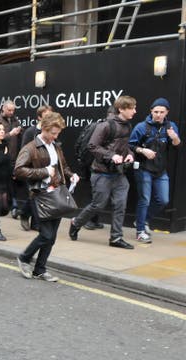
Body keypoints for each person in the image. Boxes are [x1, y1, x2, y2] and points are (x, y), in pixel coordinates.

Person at [14, 112, 78, 282]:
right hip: (40, 196)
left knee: (52, 238)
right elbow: (18, 170)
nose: (56, 136)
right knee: (46, 235)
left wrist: (71, 175)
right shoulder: (30, 148)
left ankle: (40, 270)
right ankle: (24, 258)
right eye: (53, 133)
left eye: (58, 133)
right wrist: (44, 172)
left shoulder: (56, 146)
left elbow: (63, 166)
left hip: (56, 193)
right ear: (44, 128)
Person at [68, 95, 138, 249]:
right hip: (101, 173)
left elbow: (125, 146)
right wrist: (111, 155)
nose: (135, 111)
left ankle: (116, 238)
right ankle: (76, 223)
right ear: (121, 109)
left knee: (120, 206)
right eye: (131, 108)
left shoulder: (128, 125)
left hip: (119, 174)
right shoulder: (106, 126)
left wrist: (130, 155)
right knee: (98, 205)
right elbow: (92, 146)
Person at [129, 97, 181, 243]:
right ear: (151, 111)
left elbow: (177, 146)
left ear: (167, 112)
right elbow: (130, 145)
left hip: (160, 170)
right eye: (156, 111)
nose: (158, 114)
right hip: (143, 168)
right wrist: (143, 150)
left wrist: (174, 137)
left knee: (163, 200)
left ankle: (143, 220)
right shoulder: (141, 127)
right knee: (144, 200)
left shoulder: (171, 127)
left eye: (162, 112)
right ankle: (140, 231)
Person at [0, 100, 24, 218]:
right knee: (3, 182)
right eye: (9, 110)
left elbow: (21, 135)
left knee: (13, 181)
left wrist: (20, 131)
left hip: (14, 156)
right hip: (2, 156)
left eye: (13, 110)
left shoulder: (15, 120)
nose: (11, 112)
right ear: (3, 108)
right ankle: (3, 206)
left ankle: (13, 206)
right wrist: (10, 134)